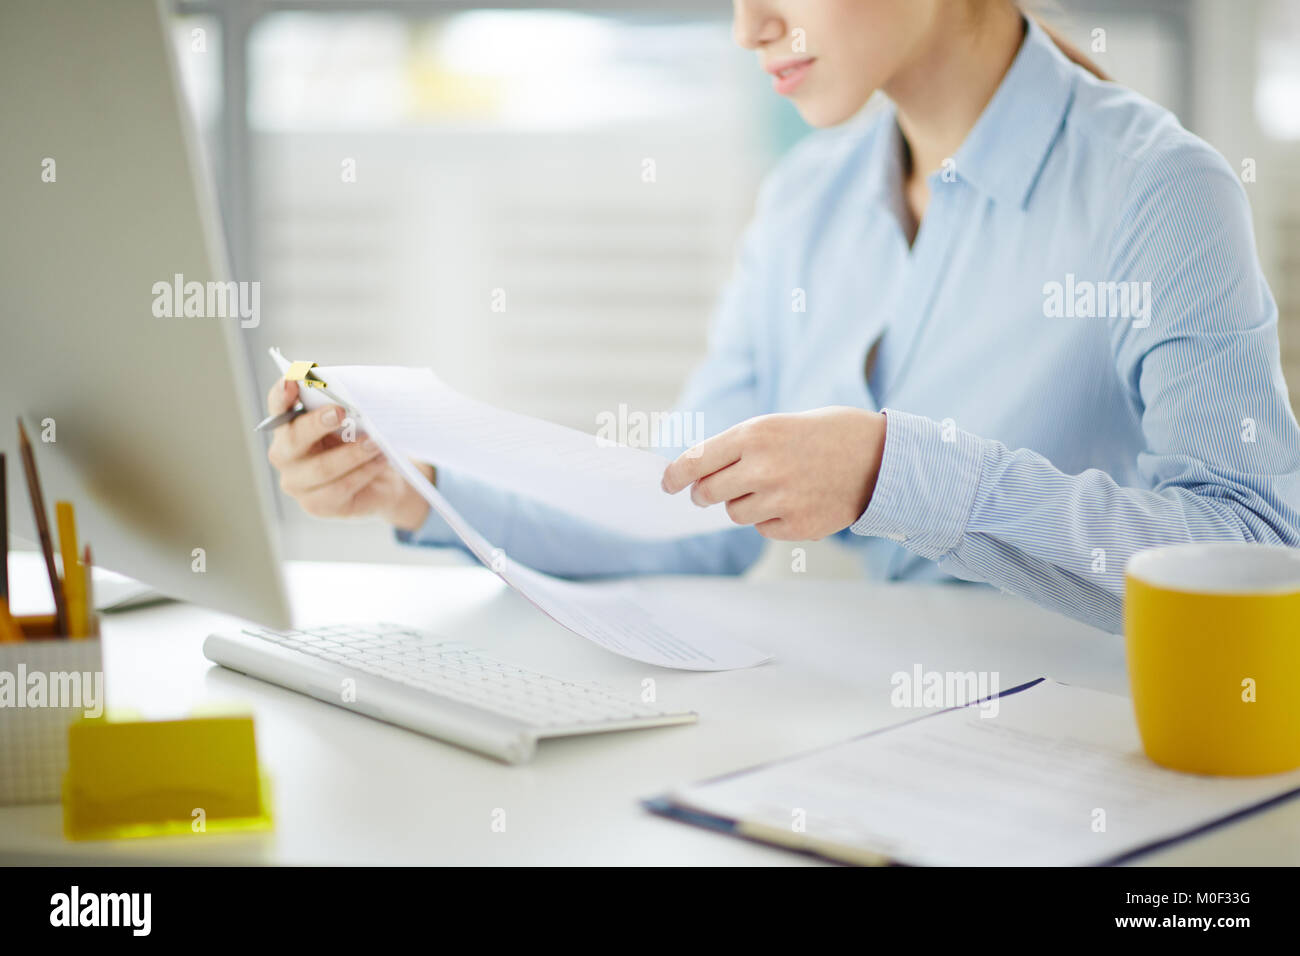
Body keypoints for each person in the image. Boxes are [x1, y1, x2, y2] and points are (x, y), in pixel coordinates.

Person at [265, 0, 1300, 634]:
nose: (745, 25)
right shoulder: (809, 198)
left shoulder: (1158, 191)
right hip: (887, 744)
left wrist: (900, 468)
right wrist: (422, 490)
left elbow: (1260, 553)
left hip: (1098, 771)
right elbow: (686, 511)